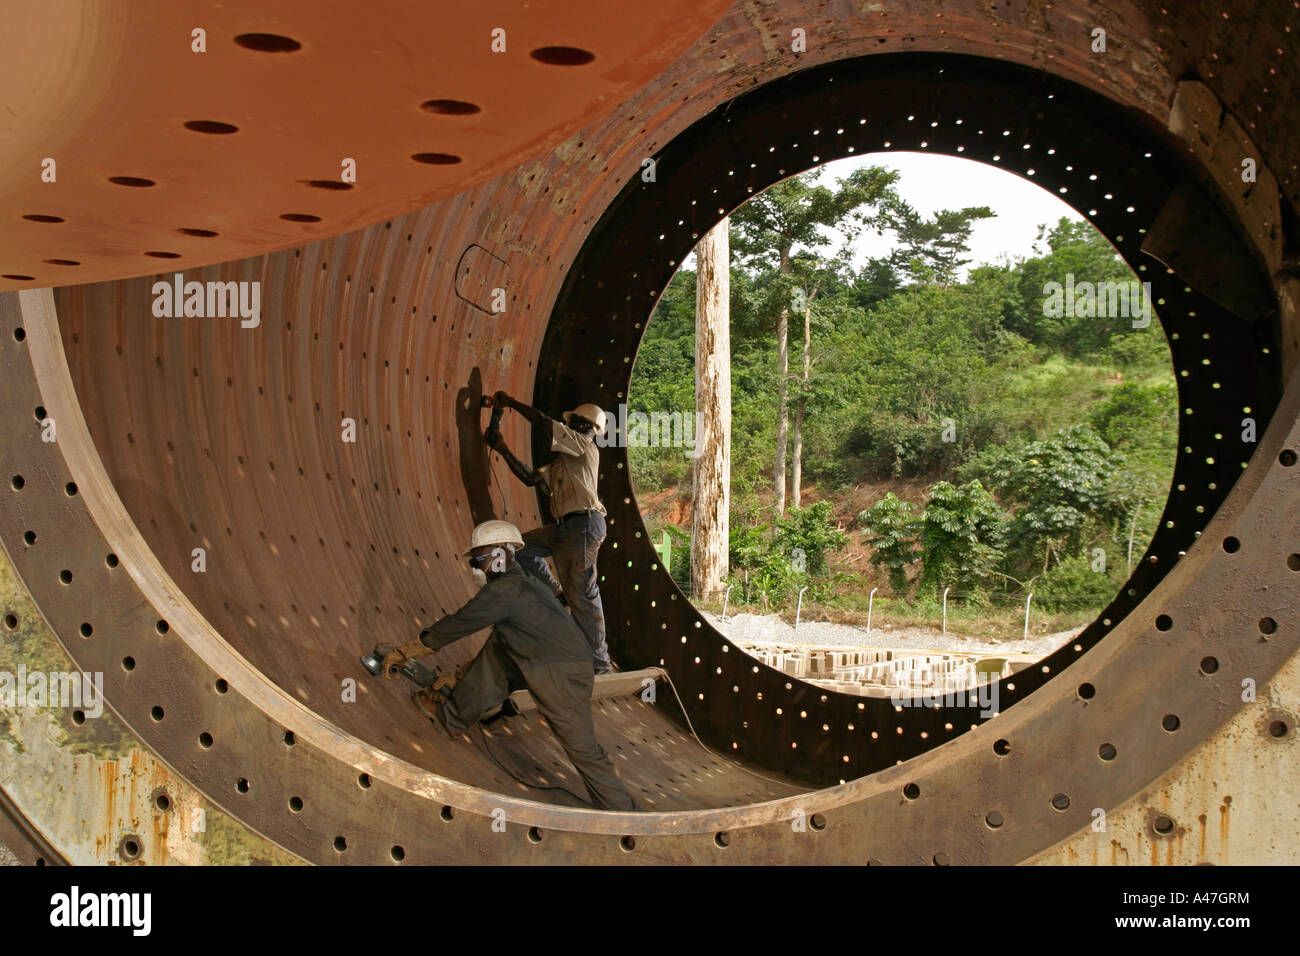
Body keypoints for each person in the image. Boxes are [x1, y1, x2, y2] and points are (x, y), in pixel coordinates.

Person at [382, 519, 635, 812]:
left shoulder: (506, 591)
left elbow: (456, 625)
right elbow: (499, 648)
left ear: (501, 555)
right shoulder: (523, 585)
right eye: (474, 561)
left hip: (562, 674)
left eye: (480, 559)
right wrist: (458, 677)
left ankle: (624, 815)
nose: (476, 567)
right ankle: (450, 717)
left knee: (582, 749)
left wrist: (404, 652)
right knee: (499, 650)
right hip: (536, 657)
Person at [485, 392, 613, 673]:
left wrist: (510, 402)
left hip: (583, 525)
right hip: (564, 528)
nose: (578, 427)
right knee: (520, 550)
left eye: (583, 424)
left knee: (583, 595)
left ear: (591, 431)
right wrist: (504, 449)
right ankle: (555, 591)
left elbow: (543, 421)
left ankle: (600, 663)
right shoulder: (563, 462)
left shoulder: (583, 447)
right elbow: (531, 478)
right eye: (576, 422)